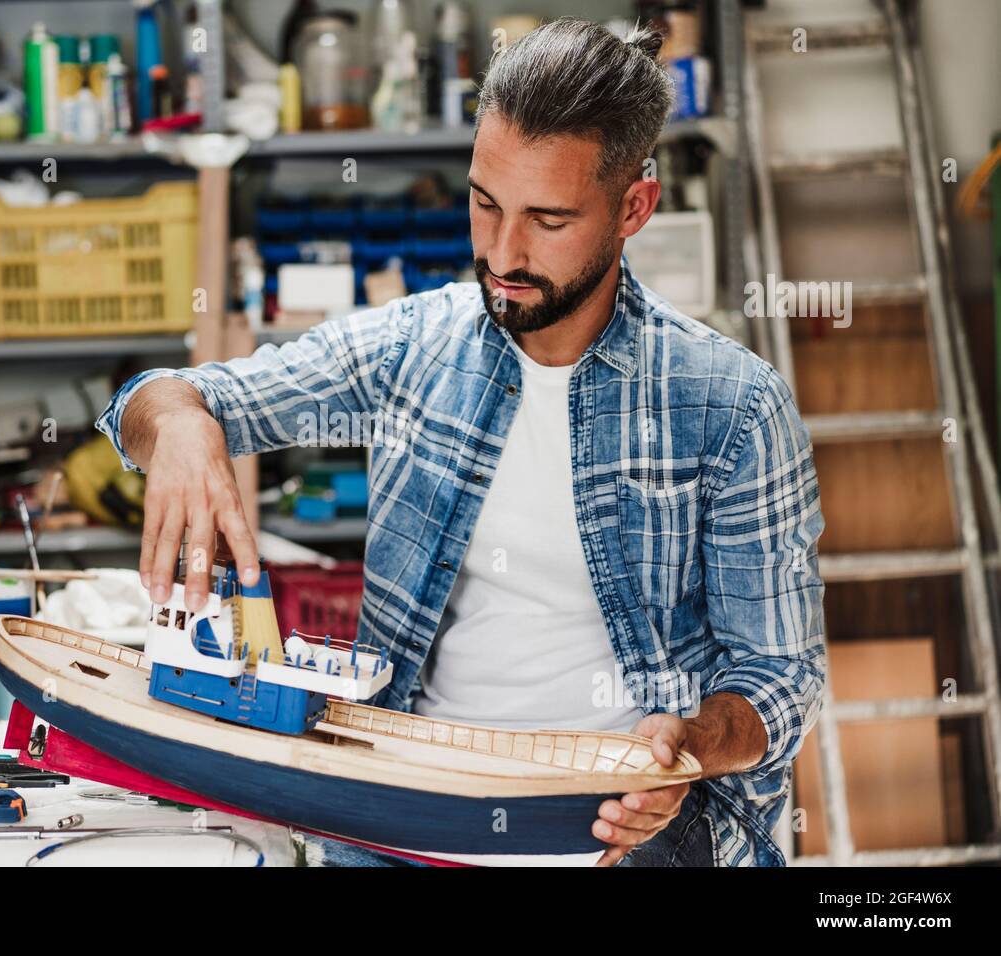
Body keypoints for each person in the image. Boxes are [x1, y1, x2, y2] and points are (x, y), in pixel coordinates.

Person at [96, 17, 826, 867]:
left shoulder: (731, 404)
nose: (503, 253)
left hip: (631, 828)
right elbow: (159, 401)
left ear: (635, 207)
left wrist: (692, 744)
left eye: (548, 219)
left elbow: (781, 677)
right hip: (408, 812)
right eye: (485, 203)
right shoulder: (414, 347)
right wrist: (181, 425)